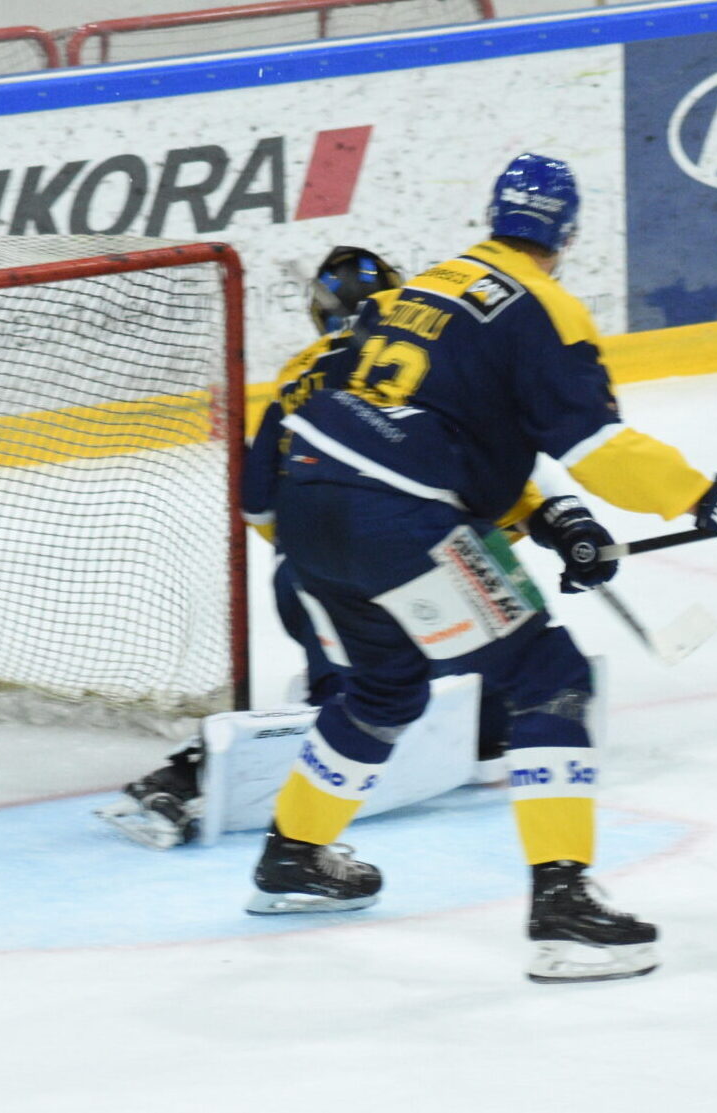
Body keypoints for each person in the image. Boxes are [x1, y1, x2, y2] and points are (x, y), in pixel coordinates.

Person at [255, 153, 717, 983]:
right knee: (548, 678)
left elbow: (451, 428)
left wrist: (551, 522)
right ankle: (563, 905)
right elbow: (595, 447)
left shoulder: (426, 285)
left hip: (309, 507)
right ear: (569, 234)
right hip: (403, 521)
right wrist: (709, 496)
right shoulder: (546, 311)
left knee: (383, 688)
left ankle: (292, 856)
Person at [100, 245, 590, 849]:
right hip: (404, 547)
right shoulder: (418, 361)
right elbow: (473, 462)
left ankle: (263, 810)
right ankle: (199, 772)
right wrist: (550, 517)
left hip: (309, 567)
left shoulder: (296, 377)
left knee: (368, 695)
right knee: (485, 683)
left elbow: (257, 504)